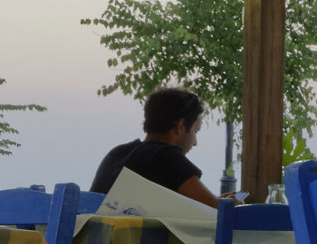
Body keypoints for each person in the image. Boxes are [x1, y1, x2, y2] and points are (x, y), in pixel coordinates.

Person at [91, 87, 221, 207]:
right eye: (195, 131)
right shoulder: (166, 157)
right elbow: (217, 210)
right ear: (181, 126)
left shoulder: (116, 154)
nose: (195, 143)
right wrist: (226, 202)